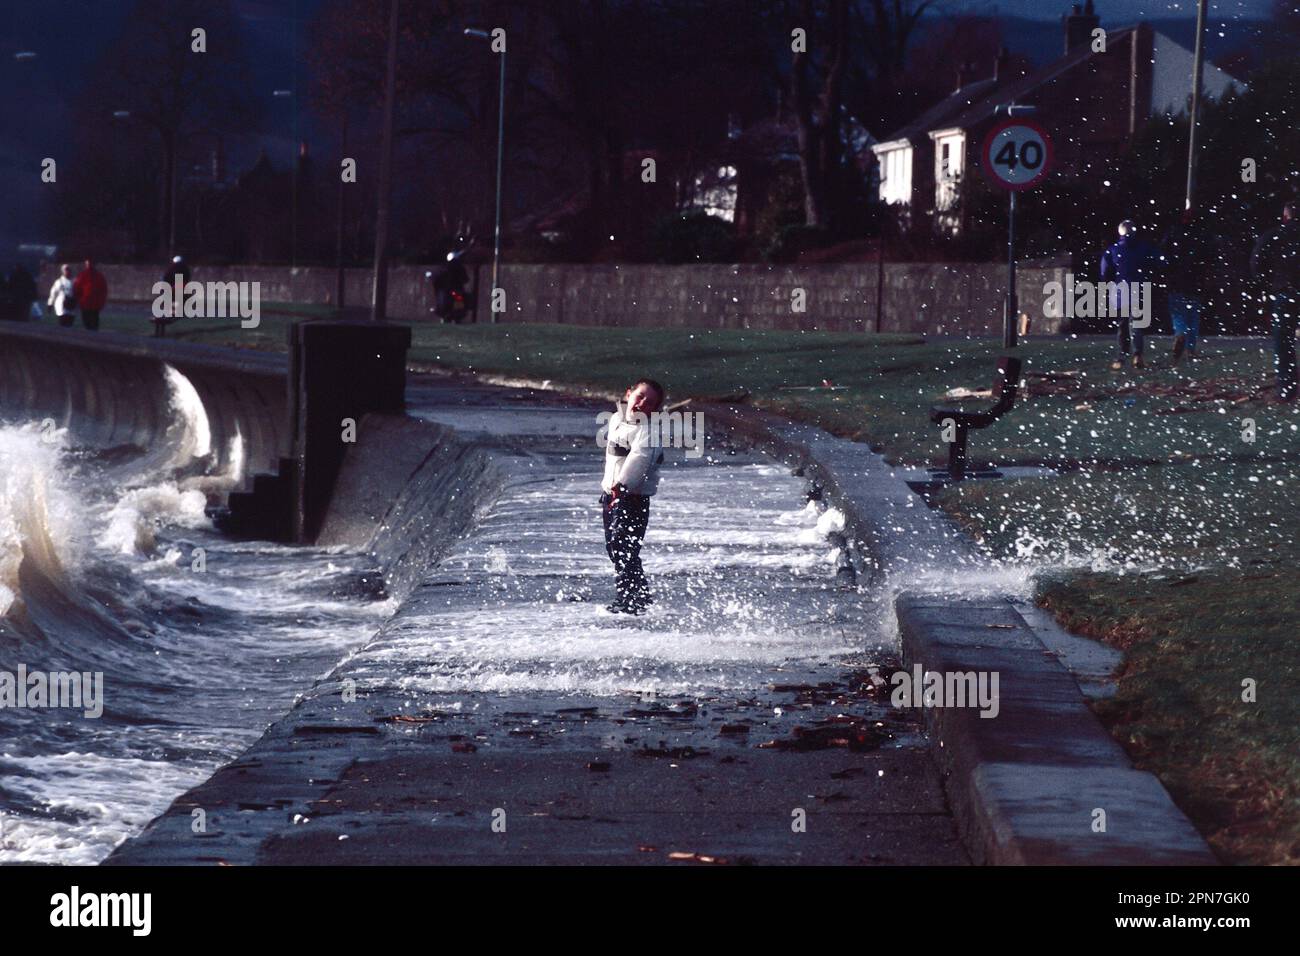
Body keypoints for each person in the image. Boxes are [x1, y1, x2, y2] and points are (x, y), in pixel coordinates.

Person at [599, 379, 666, 614]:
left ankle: (629, 598)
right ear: (629, 394)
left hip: (632, 499)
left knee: (624, 548)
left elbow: (639, 461)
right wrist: (609, 490)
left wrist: (621, 487)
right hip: (611, 496)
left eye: (649, 402)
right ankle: (640, 594)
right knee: (615, 547)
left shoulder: (648, 432)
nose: (642, 403)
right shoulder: (617, 419)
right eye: (640, 396)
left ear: (655, 410)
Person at [1251, 201, 1300, 402]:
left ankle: (1286, 387)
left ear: (1285, 216)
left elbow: (1256, 261)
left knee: (1284, 341)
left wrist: (1265, 284)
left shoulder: (1274, 235)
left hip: (1284, 291)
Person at [1100, 220, 1163, 369]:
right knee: (1137, 323)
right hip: (1139, 287)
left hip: (1120, 288)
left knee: (1122, 324)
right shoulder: (1143, 248)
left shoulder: (1113, 249)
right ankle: (1137, 355)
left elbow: (1104, 271)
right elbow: (1158, 261)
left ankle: (1121, 356)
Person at [1161, 209, 1219, 364]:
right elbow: (1211, 256)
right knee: (1192, 316)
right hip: (1195, 281)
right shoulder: (1202, 235)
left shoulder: (1173, 234)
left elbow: (1164, 254)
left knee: (1178, 314)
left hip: (1177, 280)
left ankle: (1180, 334)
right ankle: (1190, 347)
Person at [431, 250, 473, 322]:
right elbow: (465, 279)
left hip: (447, 289)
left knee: (444, 301)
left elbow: (437, 277)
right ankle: (456, 316)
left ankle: (444, 314)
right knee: (458, 302)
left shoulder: (444, 266)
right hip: (456, 289)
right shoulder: (459, 267)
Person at [155, 255, 190, 337]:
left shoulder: (172, 268)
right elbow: (187, 278)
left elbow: (166, 277)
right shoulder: (184, 269)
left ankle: (172, 311)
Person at [72, 258, 108, 331]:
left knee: (94, 324)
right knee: (88, 324)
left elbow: (103, 291)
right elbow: (76, 289)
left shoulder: (98, 276)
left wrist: (101, 303)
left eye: (90, 264)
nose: (89, 265)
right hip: (85, 304)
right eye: (87, 264)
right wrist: (79, 300)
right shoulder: (82, 275)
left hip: (94, 305)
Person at [47, 263, 77, 327]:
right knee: (62, 326)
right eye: (66, 270)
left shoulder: (75, 281)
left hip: (71, 307)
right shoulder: (59, 282)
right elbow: (53, 294)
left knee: (70, 326)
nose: (67, 271)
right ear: (62, 271)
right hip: (61, 308)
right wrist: (50, 304)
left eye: (69, 270)